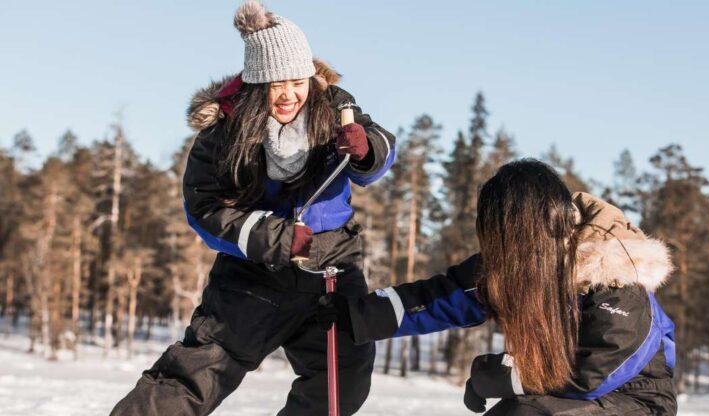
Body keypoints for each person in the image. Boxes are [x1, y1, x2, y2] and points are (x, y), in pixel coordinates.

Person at [111, 2, 395, 415]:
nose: (289, 94)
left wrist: (367, 148)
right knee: (193, 378)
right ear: (257, 82)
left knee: (340, 387)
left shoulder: (335, 106)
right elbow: (204, 207)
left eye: (298, 81)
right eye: (276, 83)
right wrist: (276, 238)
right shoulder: (223, 131)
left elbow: (377, 156)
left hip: (331, 273)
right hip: (254, 277)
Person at [318, 159, 677, 415]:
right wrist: (356, 314)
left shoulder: (615, 276)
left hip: (638, 403)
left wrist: (493, 375)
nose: (499, 249)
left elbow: (592, 374)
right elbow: (442, 297)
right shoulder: (521, 266)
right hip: (560, 397)